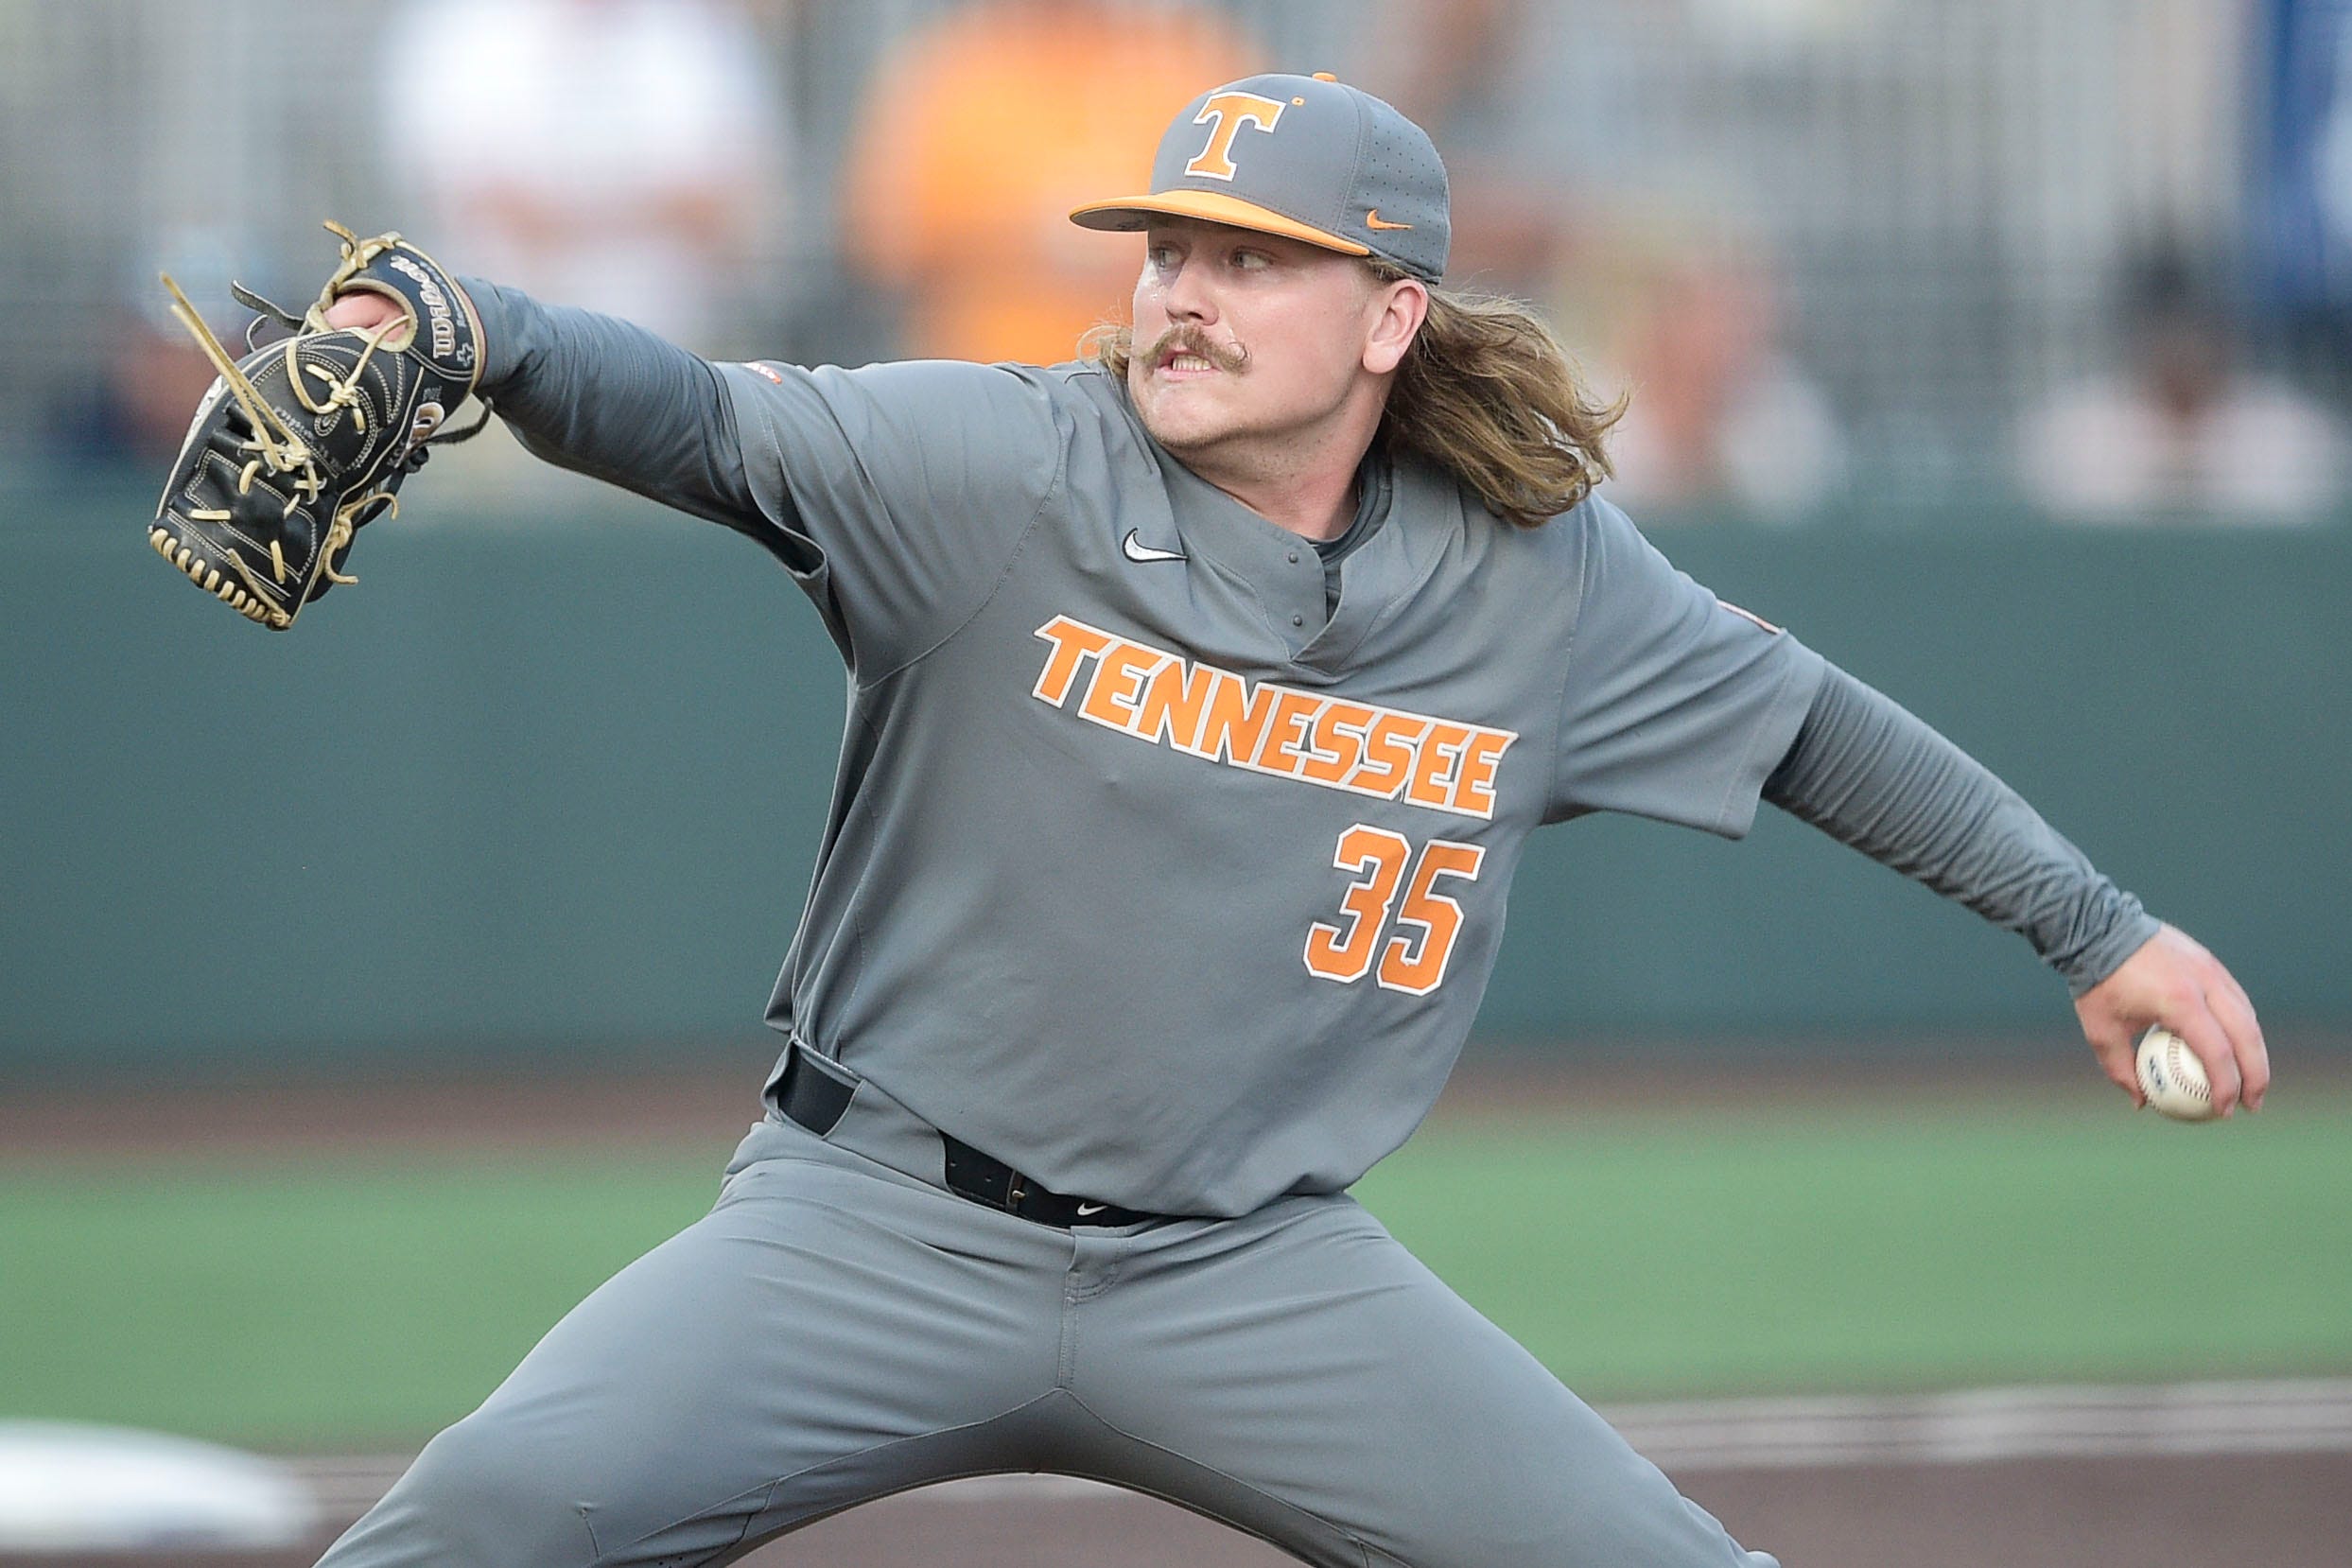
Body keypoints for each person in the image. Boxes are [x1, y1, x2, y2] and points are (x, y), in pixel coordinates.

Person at [307, 74, 2267, 1568]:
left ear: (1389, 315)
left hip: (1242, 1273)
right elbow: (695, 419)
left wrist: (2091, 928)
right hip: (868, 1230)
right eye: (1167, 250)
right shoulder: (996, 466)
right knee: (467, 1523)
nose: (1181, 293)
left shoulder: (1535, 580)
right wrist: (467, 327)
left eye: (1249, 260)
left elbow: (1818, 733)